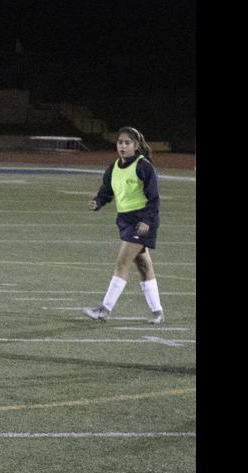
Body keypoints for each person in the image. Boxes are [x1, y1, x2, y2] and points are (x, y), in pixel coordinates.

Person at [83, 126, 164, 324]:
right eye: (120, 142)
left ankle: (104, 309)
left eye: (127, 143)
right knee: (144, 265)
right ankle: (158, 312)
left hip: (142, 221)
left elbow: (153, 198)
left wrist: (146, 220)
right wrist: (98, 202)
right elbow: (106, 191)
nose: (123, 146)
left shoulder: (143, 166)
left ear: (136, 146)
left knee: (122, 263)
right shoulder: (114, 167)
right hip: (125, 221)